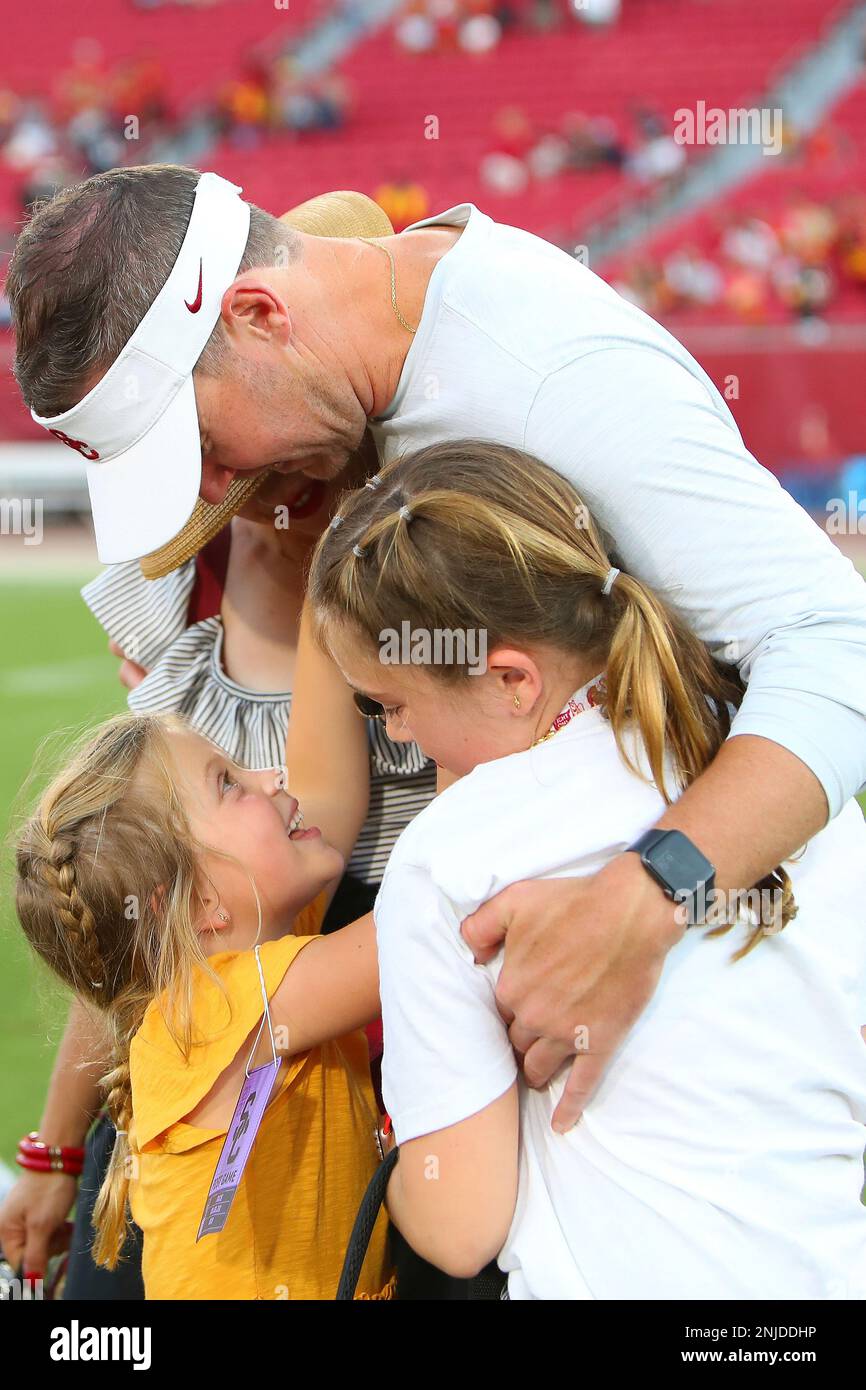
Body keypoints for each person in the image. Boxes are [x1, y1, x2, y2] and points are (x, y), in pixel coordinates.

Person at [8, 164, 866, 1134]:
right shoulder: (362, 352)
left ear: (257, 312)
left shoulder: (548, 378)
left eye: (203, 443)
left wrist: (642, 899)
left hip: (691, 1009)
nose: (217, 489)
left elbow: (836, 648)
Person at [307, 438, 866, 1299]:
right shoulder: (783, 779)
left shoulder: (446, 856)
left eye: (390, 704)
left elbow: (460, 1227)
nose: (398, 736)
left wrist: (397, 1152)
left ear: (511, 681)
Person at [14, 712, 395, 1300]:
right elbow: (420, 931)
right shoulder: (210, 1011)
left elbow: (332, 790)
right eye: (229, 783)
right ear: (197, 902)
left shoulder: (264, 941)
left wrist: (327, 619)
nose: (271, 775)